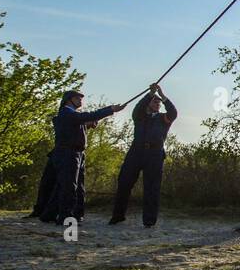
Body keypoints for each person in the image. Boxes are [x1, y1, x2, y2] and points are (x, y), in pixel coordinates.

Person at [41, 90, 123, 225]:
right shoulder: (67, 113)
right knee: (69, 187)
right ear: (69, 100)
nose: (80, 101)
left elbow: (81, 122)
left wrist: (87, 124)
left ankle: (51, 214)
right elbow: (88, 116)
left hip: (77, 153)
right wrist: (111, 109)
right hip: (68, 153)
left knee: (74, 186)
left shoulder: (71, 115)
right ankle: (66, 217)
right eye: (77, 98)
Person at [110, 84, 178, 227]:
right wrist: (150, 93)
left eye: (159, 102)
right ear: (148, 103)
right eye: (155, 101)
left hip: (155, 154)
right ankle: (118, 216)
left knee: (152, 188)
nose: (158, 104)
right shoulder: (140, 116)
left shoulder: (163, 118)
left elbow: (173, 112)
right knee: (124, 182)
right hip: (136, 152)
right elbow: (138, 108)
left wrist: (162, 95)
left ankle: (149, 221)